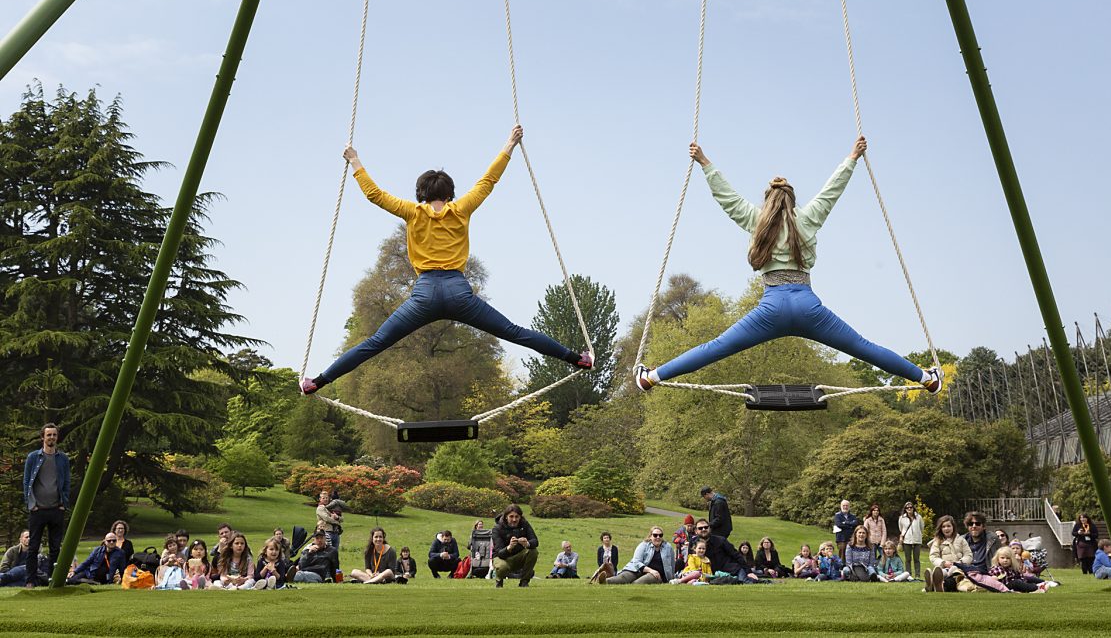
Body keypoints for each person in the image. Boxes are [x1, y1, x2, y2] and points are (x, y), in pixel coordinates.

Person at [632, 139, 943, 396]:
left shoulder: (757, 222)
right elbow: (831, 192)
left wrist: (704, 162)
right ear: (793, 201)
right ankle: (926, 378)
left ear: (767, 201)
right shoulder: (806, 219)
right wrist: (852, 158)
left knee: (716, 347)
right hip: (809, 307)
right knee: (863, 347)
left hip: (771, 308)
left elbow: (727, 198)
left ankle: (652, 377)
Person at [300, 126, 593, 396]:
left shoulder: (412, 211)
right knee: (514, 333)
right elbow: (489, 180)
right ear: (450, 193)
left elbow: (374, 195)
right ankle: (577, 359)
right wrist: (510, 144)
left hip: (424, 294)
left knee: (376, 343)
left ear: (421, 194)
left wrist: (354, 161)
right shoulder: (461, 208)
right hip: (458, 291)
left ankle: (318, 382)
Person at [23, 423, 70, 587]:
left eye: (54, 435)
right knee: (33, 547)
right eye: (48, 435)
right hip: (38, 510)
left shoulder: (62, 459)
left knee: (55, 548)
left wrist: (64, 503)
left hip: (56, 509)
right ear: (43, 437)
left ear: (57, 437)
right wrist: (31, 504)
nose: (51, 438)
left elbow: (66, 482)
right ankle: (30, 580)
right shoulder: (33, 457)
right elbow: (27, 482)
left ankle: (53, 580)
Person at [693, 522, 759, 584]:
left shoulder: (721, 540)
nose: (704, 529)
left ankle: (763, 581)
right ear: (696, 531)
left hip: (732, 570)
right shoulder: (693, 543)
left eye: (706, 527)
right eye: (700, 528)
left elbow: (736, 555)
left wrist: (748, 571)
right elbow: (691, 559)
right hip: (713, 574)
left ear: (709, 528)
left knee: (744, 581)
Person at [605, 526, 675, 585]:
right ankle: (604, 581)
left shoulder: (668, 547)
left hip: (656, 575)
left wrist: (671, 579)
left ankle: (631, 587)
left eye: (660, 535)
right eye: (655, 535)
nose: (658, 537)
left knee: (639, 582)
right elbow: (636, 561)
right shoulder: (643, 545)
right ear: (650, 536)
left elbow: (672, 564)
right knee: (624, 577)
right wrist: (650, 570)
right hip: (638, 570)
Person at [491, 504, 539, 588]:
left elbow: (535, 541)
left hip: (518, 557)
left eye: (517, 517)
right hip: (502, 558)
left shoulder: (525, 525)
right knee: (502, 567)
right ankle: (499, 581)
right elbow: (499, 553)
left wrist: (527, 543)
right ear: (506, 517)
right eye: (511, 516)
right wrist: (509, 547)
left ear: (520, 517)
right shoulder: (497, 528)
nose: (514, 519)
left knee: (533, 551)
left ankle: (524, 582)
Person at [926, 514, 971, 592]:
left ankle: (935, 584)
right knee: (943, 571)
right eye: (943, 527)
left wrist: (960, 562)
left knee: (954, 571)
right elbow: (933, 556)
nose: (946, 528)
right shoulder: (937, 541)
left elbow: (969, 555)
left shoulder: (961, 540)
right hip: (944, 567)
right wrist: (943, 562)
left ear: (953, 527)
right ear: (940, 529)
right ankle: (934, 579)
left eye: (948, 526)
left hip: (958, 569)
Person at [898, 501, 924, 579]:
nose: (909, 509)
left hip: (917, 540)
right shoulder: (902, 518)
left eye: (911, 507)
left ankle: (917, 574)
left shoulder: (918, 517)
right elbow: (901, 528)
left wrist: (918, 535)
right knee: (908, 559)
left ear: (913, 508)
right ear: (905, 509)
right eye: (907, 508)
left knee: (916, 558)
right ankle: (908, 574)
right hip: (907, 540)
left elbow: (921, 527)